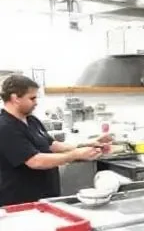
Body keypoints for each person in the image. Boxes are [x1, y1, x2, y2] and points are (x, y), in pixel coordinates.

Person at [0, 74, 108, 206]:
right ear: (15, 98)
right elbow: (35, 161)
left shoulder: (31, 120)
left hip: (46, 196)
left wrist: (84, 144)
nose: (36, 102)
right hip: (20, 201)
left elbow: (52, 145)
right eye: (32, 98)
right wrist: (75, 155)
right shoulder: (5, 127)